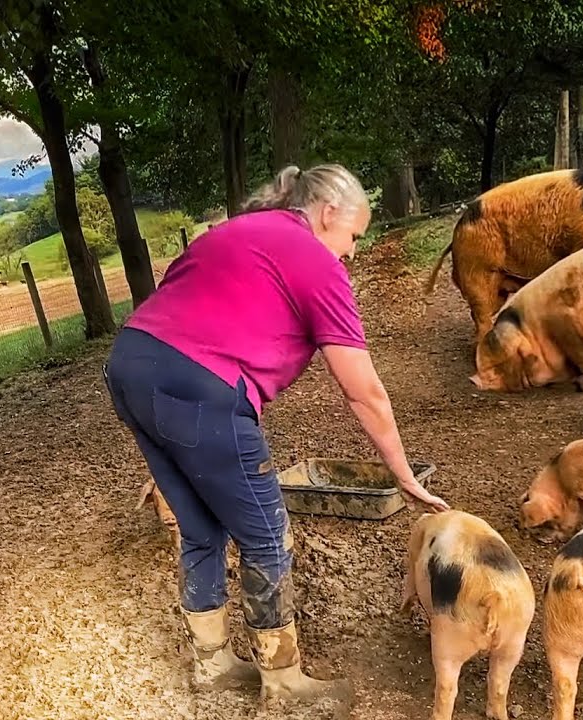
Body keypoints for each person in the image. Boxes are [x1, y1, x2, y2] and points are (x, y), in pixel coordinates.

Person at [104, 164, 449, 711]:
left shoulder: (233, 231)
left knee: (198, 527)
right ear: (327, 212)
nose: (352, 253)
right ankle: (284, 682)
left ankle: (211, 663)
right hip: (202, 388)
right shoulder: (317, 262)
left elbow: (187, 300)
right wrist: (402, 474)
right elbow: (365, 393)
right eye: (354, 236)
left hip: (130, 365)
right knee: (266, 533)